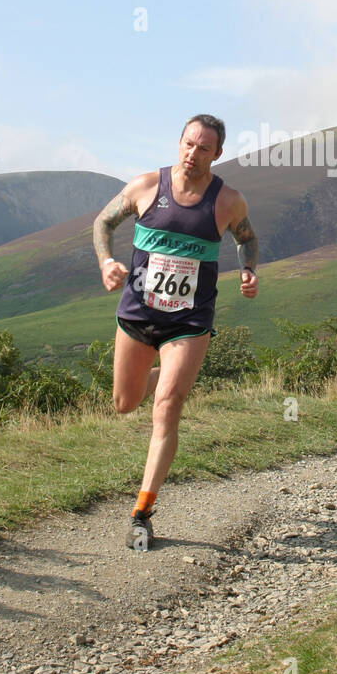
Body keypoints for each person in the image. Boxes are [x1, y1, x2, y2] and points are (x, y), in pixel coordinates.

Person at [92, 115, 258, 549]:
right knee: (125, 403)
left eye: (204, 148)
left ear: (217, 154)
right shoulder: (146, 186)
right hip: (137, 312)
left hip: (189, 320)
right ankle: (162, 375)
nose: (193, 153)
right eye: (188, 144)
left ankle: (142, 512)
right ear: (179, 143)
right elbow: (103, 223)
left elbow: (246, 238)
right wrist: (106, 262)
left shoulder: (228, 201)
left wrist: (249, 270)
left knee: (167, 405)